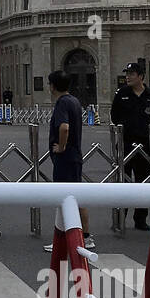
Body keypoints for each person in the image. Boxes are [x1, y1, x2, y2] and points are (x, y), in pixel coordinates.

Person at [45, 70, 92, 251]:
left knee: (66, 196)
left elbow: (64, 127)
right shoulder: (74, 101)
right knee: (74, 195)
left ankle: (77, 238)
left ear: (53, 86)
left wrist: (61, 147)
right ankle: (78, 236)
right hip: (74, 157)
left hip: (66, 158)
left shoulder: (62, 103)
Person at [110, 61, 150, 230]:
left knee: (143, 180)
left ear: (141, 76)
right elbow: (114, 116)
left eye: (131, 74)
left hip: (144, 144)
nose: (128, 77)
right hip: (125, 142)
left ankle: (140, 218)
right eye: (127, 74)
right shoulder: (122, 94)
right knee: (123, 180)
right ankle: (119, 217)